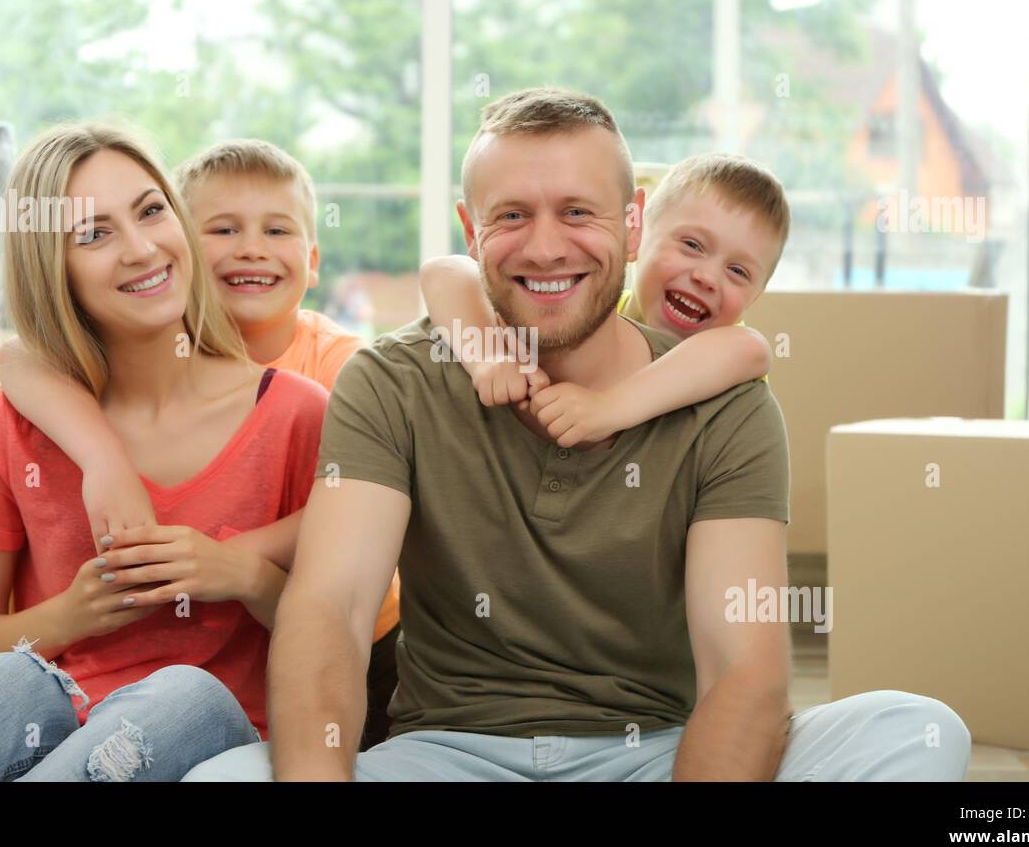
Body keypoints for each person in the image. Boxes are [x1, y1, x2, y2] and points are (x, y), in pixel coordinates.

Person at [185, 87, 971, 782]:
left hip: (657, 754)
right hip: (448, 754)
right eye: (513, 216)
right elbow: (331, 608)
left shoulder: (727, 405)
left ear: (631, 226)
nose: (547, 246)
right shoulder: (394, 380)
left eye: (578, 212)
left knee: (912, 730)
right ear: (470, 229)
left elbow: (745, 670)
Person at [0, 123, 326, 781]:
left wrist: (244, 576)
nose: (141, 248)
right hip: (52, 731)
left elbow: (338, 632)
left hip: (219, 735)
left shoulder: (297, 414)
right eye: (93, 234)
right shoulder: (3, 429)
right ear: (52, 267)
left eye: (152, 211)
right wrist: (70, 616)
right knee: (13, 681)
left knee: (184, 692)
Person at [0, 138, 401, 749]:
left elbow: (373, 493)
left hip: (361, 643)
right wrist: (102, 457)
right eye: (223, 229)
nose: (251, 249)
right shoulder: (125, 358)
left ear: (313, 260)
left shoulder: (332, 374)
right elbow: (18, 355)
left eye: (276, 230)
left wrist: (230, 555)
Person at [419, 151, 785, 447]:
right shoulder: (604, 311)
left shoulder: (731, 350)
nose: (706, 277)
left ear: (757, 294)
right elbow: (444, 272)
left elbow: (751, 349)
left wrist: (606, 409)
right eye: (691, 245)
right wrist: (488, 357)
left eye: (739, 272)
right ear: (635, 233)